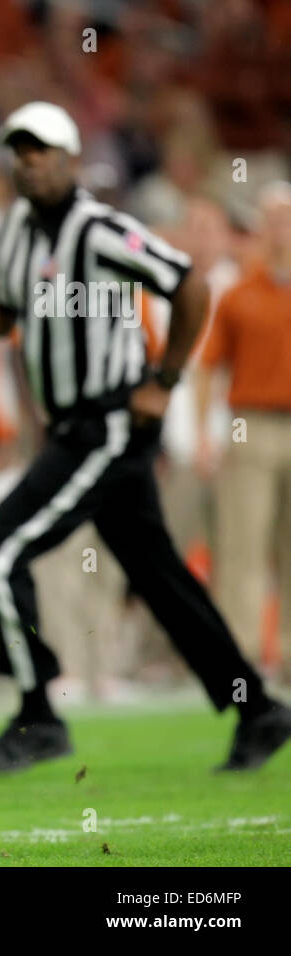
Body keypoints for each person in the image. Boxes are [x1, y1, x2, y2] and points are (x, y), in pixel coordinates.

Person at [0, 102, 291, 772]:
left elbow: (186, 285)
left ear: (69, 159)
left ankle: (39, 714)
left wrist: (166, 380)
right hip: (74, 429)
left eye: (41, 150)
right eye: (19, 151)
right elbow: (10, 306)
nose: (29, 162)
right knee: (160, 578)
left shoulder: (99, 230)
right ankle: (259, 710)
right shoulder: (16, 228)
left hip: (108, 424)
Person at [196, 182, 291, 683]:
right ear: (259, 228)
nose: (281, 230)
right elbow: (209, 365)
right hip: (251, 423)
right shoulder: (238, 294)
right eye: (273, 220)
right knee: (243, 545)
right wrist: (204, 432)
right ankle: (242, 660)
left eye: (287, 219)